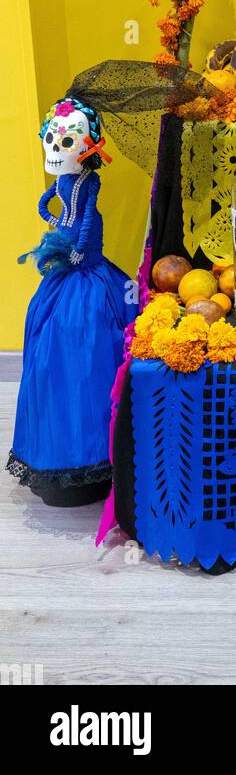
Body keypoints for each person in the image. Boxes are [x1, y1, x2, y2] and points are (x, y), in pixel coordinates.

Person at [7, 97, 129, 505]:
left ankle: (99, 451)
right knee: (51, 347)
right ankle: (60, 447)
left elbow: (90, 217)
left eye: (68, 140)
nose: (56, 149)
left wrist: (77, 246)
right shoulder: (61, 181)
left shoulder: (88, 182)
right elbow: (49, 203)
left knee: (91, 344)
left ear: (89, 145)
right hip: (66, 272)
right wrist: (52, 218)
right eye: (51, 139)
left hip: (88, 264)